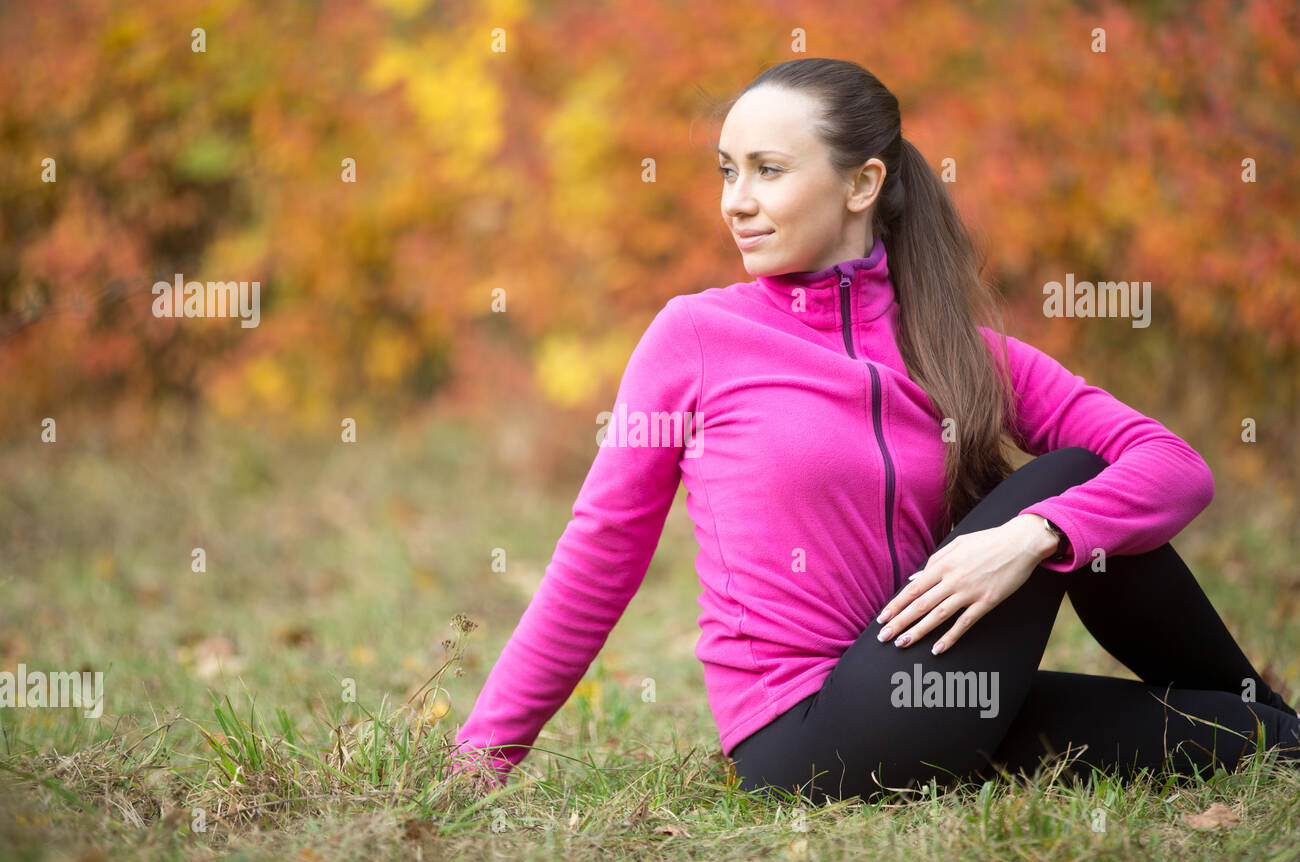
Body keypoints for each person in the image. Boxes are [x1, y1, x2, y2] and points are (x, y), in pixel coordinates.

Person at [447, 57, 1300, 802]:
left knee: (1252, 737)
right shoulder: (696, 337)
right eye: (726, 172)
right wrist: (481, 757)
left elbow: (1175, 465)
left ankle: (1271, 717)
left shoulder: (959, 353)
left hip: (944, 699)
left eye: (768, 171)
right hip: (805, 736)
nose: (737, 202)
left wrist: (1036, 537)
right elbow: (600, 551)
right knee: (1069, 471)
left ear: (862, 185)